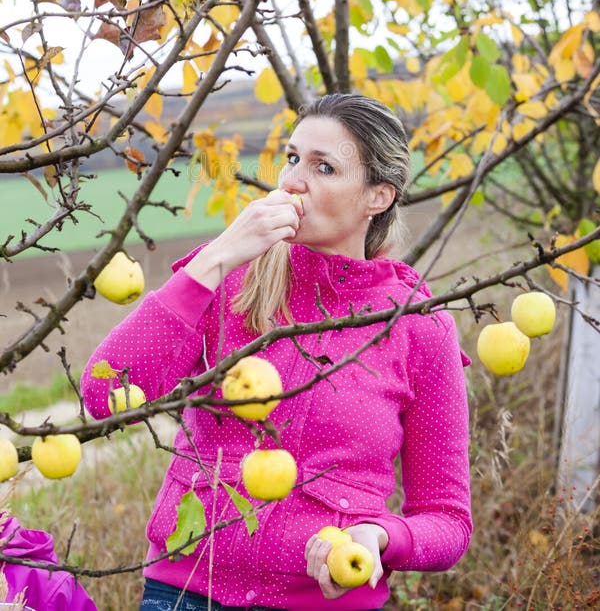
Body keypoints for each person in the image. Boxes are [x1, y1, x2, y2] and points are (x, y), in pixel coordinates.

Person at [80, 93, 472, 611]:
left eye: (324, 167)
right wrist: (217, 256)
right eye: (291, 159)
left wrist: (380, 537)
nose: (292, 181)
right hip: (184, 592)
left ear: (377, 196)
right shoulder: (231, 281)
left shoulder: (416, 328)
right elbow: (106, 393)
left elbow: (447, 518)